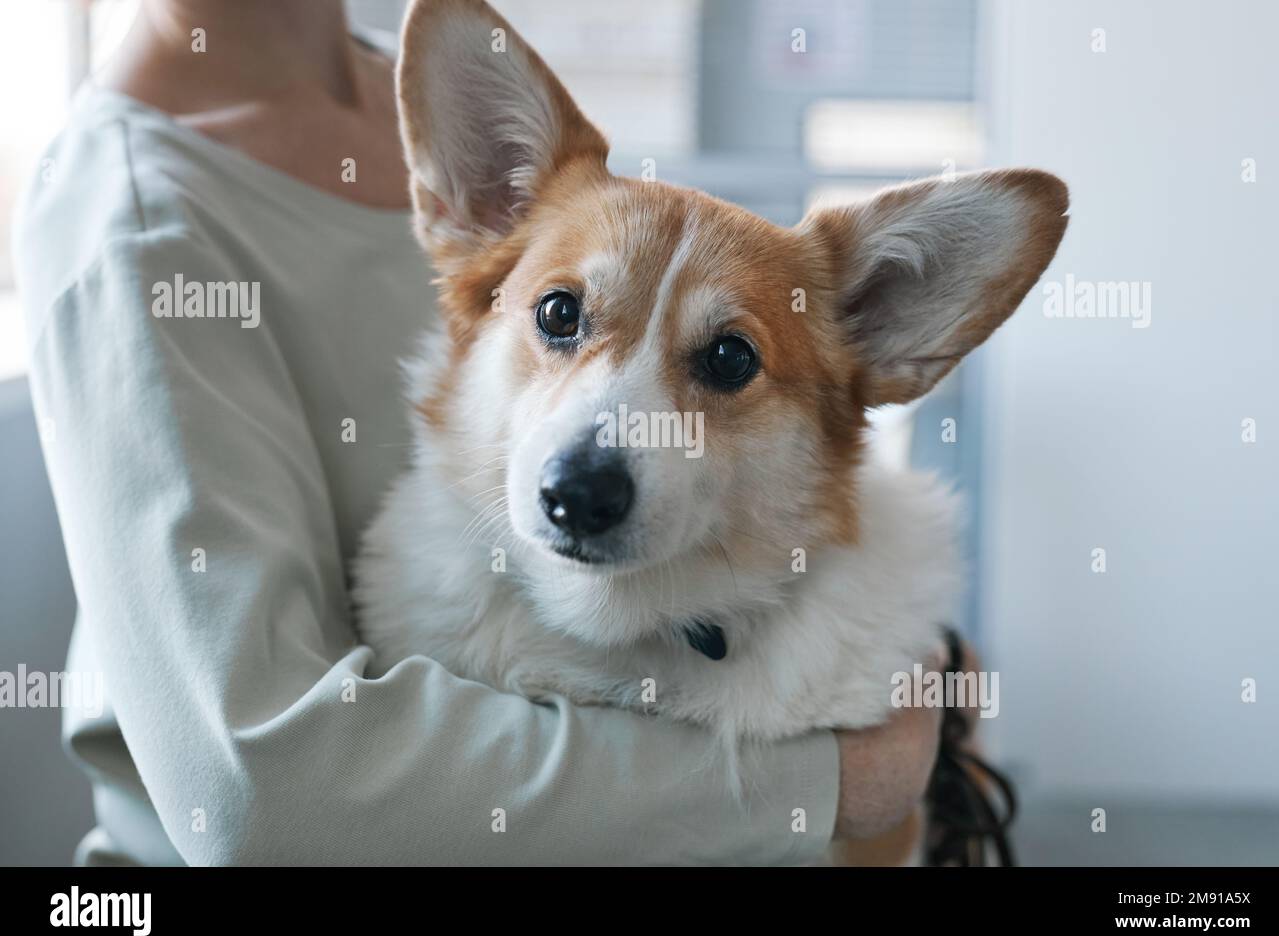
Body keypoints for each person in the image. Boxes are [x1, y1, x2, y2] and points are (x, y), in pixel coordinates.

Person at [15, 0, 941, 864]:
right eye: (562, 319)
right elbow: (255, 784)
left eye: (725, 363)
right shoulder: (130, 222)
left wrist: (881, 634)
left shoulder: (451, 99)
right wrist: (825, 784)